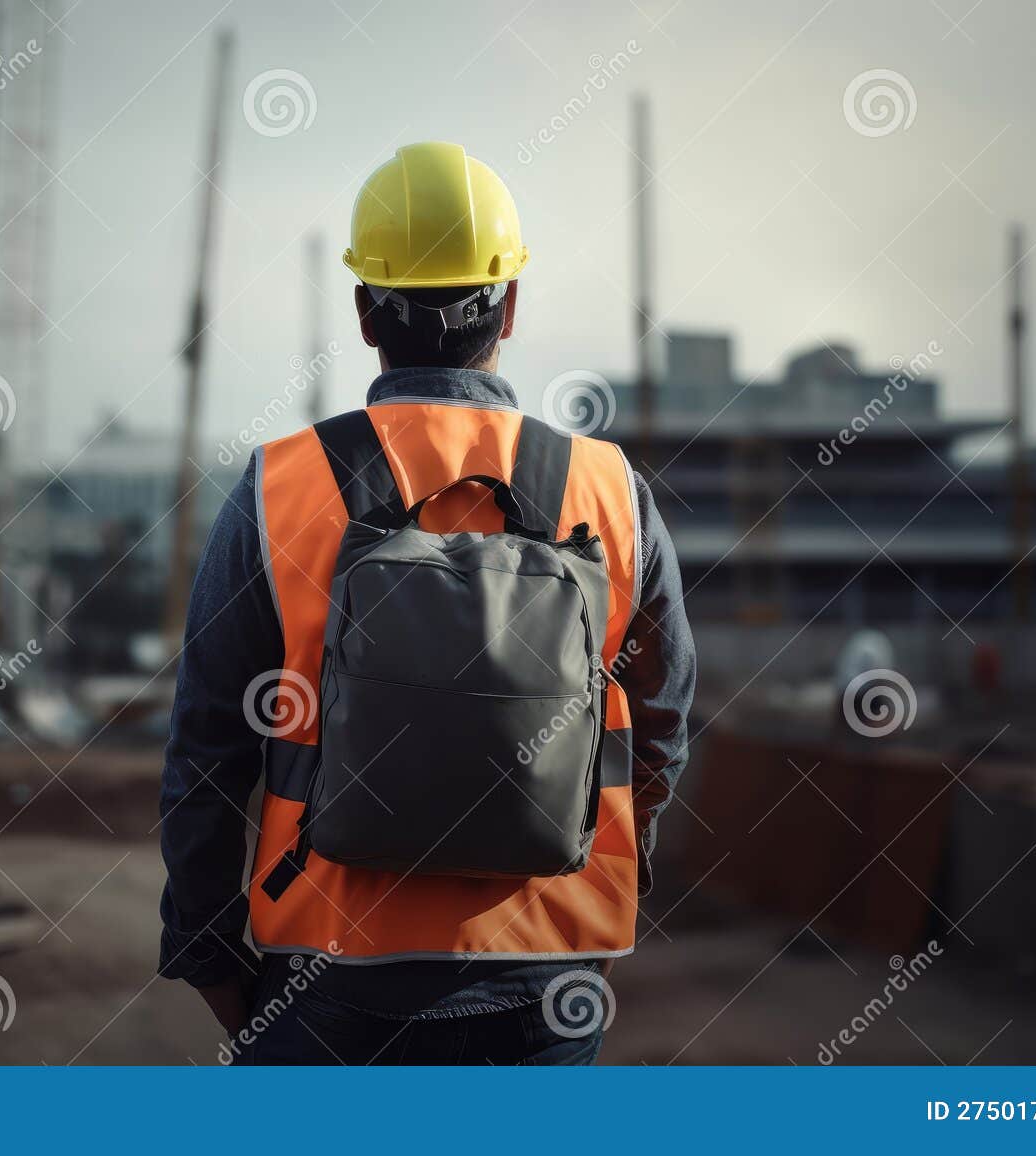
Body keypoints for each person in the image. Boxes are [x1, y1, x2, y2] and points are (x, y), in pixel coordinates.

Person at [159, 141, 695, 1064]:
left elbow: (209, 741)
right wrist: (605, 875)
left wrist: (207, 953)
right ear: (512, 306)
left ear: (365, 312)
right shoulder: (610, 489)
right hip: (546, 967)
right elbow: (663, 724)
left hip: (325, 968)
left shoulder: (279, 486)